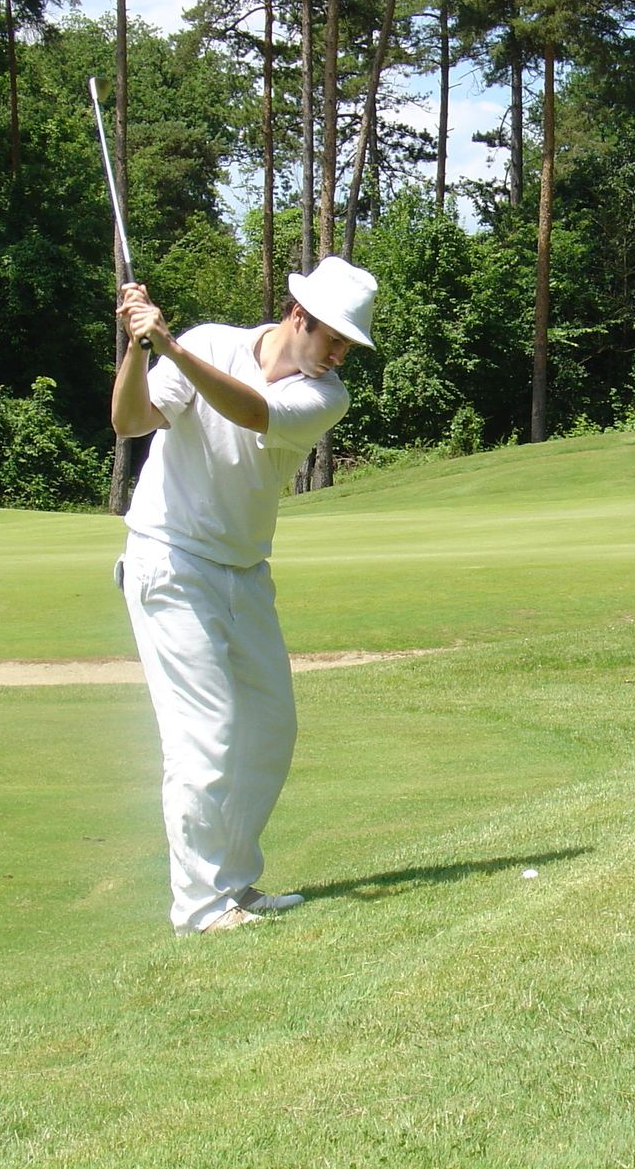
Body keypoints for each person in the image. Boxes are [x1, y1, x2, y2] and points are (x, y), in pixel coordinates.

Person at [111, 255, 376, 935]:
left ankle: (232, 884)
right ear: (299, 317)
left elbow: (251, 409)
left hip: (244, 570)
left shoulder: (326, 395)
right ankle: (199, 908)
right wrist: (141, 350)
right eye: (333, 338)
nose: (339, 354)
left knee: (269, 729)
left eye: (348, 345)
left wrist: (166, 343)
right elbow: (130, 421)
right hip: (168, 559)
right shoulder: (208, 343)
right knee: (208, 733)